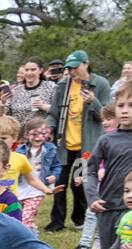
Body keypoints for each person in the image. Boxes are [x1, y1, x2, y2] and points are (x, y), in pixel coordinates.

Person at [46, 50, 112, 233]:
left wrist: (93, 101)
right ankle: (56, 221)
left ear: (86, 64)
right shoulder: (62, 86)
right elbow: (53, 114)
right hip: (64, 144)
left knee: (79, 184)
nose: (72, 72)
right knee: (59, 183)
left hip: (86, 145)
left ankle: (79, 218)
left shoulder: (100, 84)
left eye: (75, 67)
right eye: (69, 68)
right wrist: (48, 128)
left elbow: (107, 116)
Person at [83, 85, 132, 249]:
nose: (125, 110)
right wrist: (92, 198)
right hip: (108, 209)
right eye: (120, 106)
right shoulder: (106, 140)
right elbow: (89, 171)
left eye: (131, 105)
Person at [17, 117, 61, 233]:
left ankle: (26, 243)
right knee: (18, 217)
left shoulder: (51, 149)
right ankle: (32, 233)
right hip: (20, 188)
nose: (38, 137)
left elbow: (56, 166)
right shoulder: (19, 151)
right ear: (27, 134)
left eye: (42, 133)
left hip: (38, 189)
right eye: (35, 133)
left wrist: (55, 175)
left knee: (25, 219)